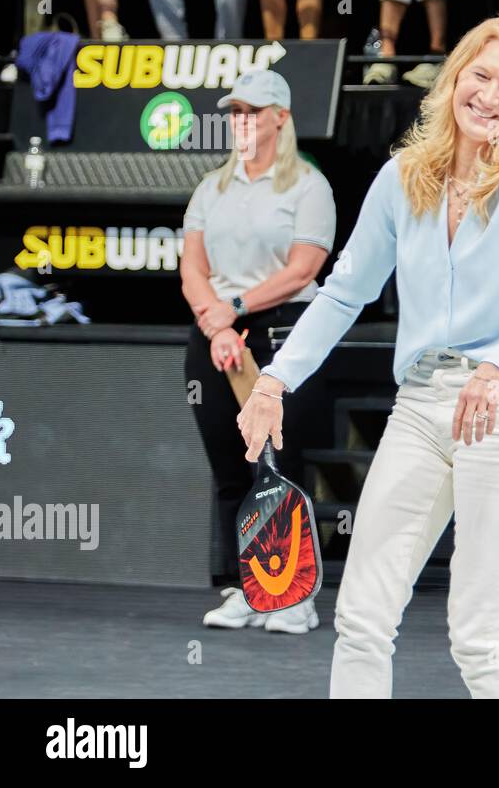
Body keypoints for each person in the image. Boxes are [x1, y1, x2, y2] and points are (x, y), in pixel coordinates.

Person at [237, 16, 499, 698]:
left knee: (479, 634)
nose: (489, 96)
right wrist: (274, 380)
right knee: (362, 616)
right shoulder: (405, 175)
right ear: (454, 78)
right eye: (480, 76)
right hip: (420, 409)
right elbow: (344, 293)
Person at [181, 68, 336, 634]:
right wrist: (216, 322)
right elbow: (192, 267)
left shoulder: (307, 186)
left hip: (281, 334)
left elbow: (304, 270)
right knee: (230, 465)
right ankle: (245, 589)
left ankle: (294, 595)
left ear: (280, 118)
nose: (240, 121)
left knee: (278, 463)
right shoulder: (212, 186)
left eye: (251, 111)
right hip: (218, 337)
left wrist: (236, 307)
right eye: (234, 112)